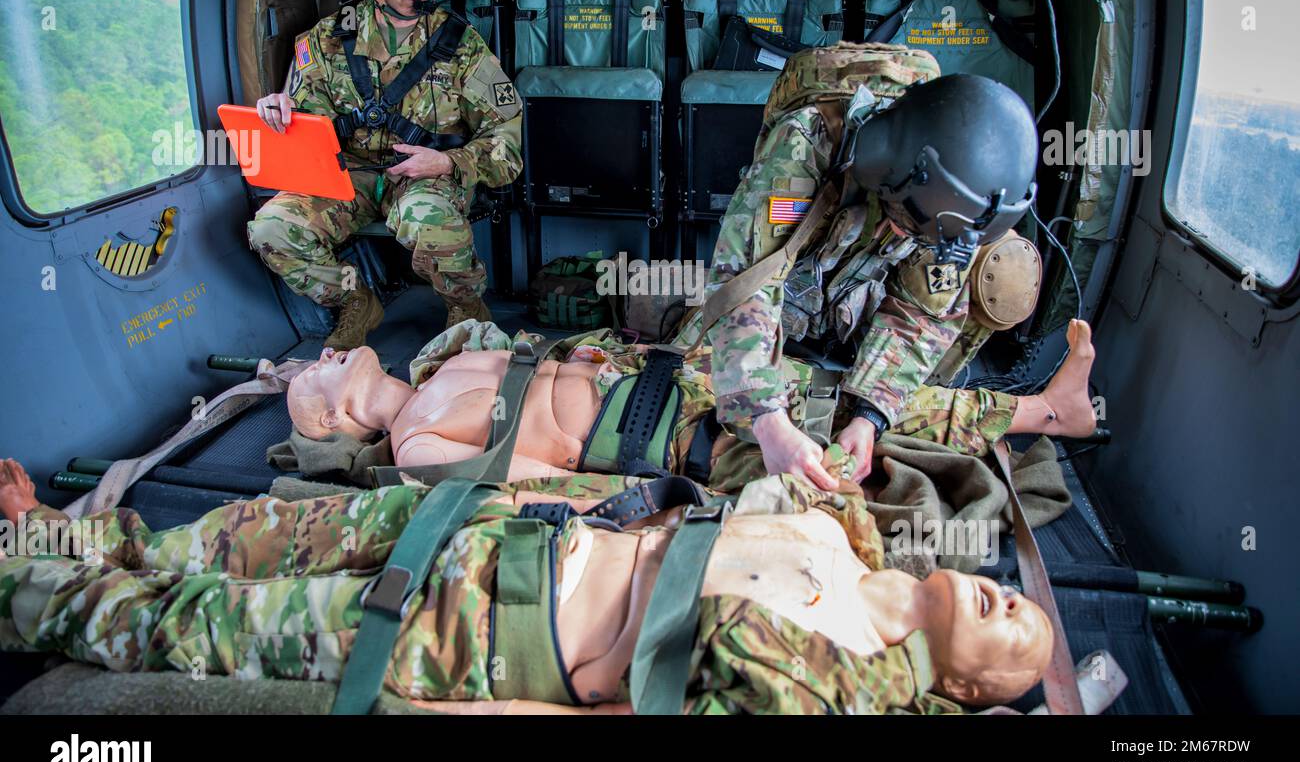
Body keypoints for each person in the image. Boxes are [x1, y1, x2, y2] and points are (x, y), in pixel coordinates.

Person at [0, 458, 1052, 713]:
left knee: (189, 623)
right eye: (1021, 595)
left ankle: (17, 583)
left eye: (1019, 640)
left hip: (479, 623)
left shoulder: (843, 689)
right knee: (233, 534)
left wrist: (907, 665)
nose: (1015, 603)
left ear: (963, 693)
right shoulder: (843, 519)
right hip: (497, 516)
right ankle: (44, 529)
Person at [696, 57, 1049, 491]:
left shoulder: (950, 212)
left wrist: (869, 414)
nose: (907, 234)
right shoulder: (805, 145)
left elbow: (924, 312)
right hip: (788, 300)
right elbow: (745, 282)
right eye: (906, 223)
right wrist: (769, 424)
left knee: (1003, 273)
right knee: (703, 386)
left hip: (854, 301)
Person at [283, 318, 1097, 487]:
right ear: (329, 421)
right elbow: (545, 487)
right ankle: (1045, 415)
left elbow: (562, 351)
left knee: (841, 386)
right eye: (309, 376)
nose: (321, 356)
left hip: (669, 372)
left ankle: (1036, 403)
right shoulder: (418, 449)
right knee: (831, 424)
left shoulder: (451, 354)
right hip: (664, 436)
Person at [245, 0, 523, 348]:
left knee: (429, 220)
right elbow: (308, 121)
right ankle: (355, 301)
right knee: (271, 228)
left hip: (423, 177)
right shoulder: (325, 41)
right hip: (346, 176)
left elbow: (507, 140)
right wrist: (280, 112)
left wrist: (450, 164)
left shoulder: (462, 45)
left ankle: (466, 310)